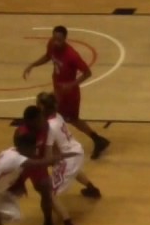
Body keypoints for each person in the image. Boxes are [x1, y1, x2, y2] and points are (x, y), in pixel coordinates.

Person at [23, 26, 112, 158]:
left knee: (69, 118)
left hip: (69, 93)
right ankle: (92, 140)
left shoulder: (72, 55)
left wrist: (72, 84)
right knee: (51, 113)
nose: (56, 42)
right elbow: (48, 56)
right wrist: (33, 64)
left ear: (65, 39)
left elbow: (88, 73)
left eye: (59, 39)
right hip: (59, 89)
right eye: (54, 38)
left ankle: (96, 140)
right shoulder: (52, 44)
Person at [38, 92, 102, 199]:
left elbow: (48, 155)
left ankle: (64, 216)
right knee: (74, 171)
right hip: (76, 150)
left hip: (68, 159)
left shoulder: (48, 126)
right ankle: (91, 189)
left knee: (49, 194)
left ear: (42, 108)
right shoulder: (58, 116)